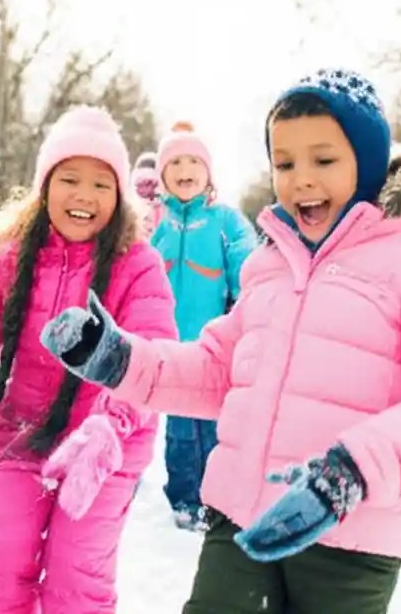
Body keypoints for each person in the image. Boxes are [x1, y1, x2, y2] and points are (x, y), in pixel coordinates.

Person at [43, 69, 401, 613]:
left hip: (350, 539)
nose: (300, 179)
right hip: (239, 522)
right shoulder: (271, 264)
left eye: (324, 160)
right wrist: (121, 360)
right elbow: (219, 369)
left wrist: (353, 473)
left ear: (367, 162)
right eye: (285, 164)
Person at [0, 106, 177, 613]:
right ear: (45, 187)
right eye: (69, 179)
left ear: (119, 197)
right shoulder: (13, 259)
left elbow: (151, 353)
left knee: (75, 579)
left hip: (106, 445)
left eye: (101, 184)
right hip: (25, 435)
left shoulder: (137, 266)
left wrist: (109, 428)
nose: (83, 196)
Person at [150, 121, 257, 531]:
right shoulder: (155, 225)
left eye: (194, 161)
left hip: (215, 347)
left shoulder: (225, 221)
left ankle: (215, 499)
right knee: (179, 430)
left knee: (213, 429)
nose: (185, 169)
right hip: (170, 347)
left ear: (208, 172)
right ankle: (184, 499)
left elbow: (248, 271)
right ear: (162, 175)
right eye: (175, 162)